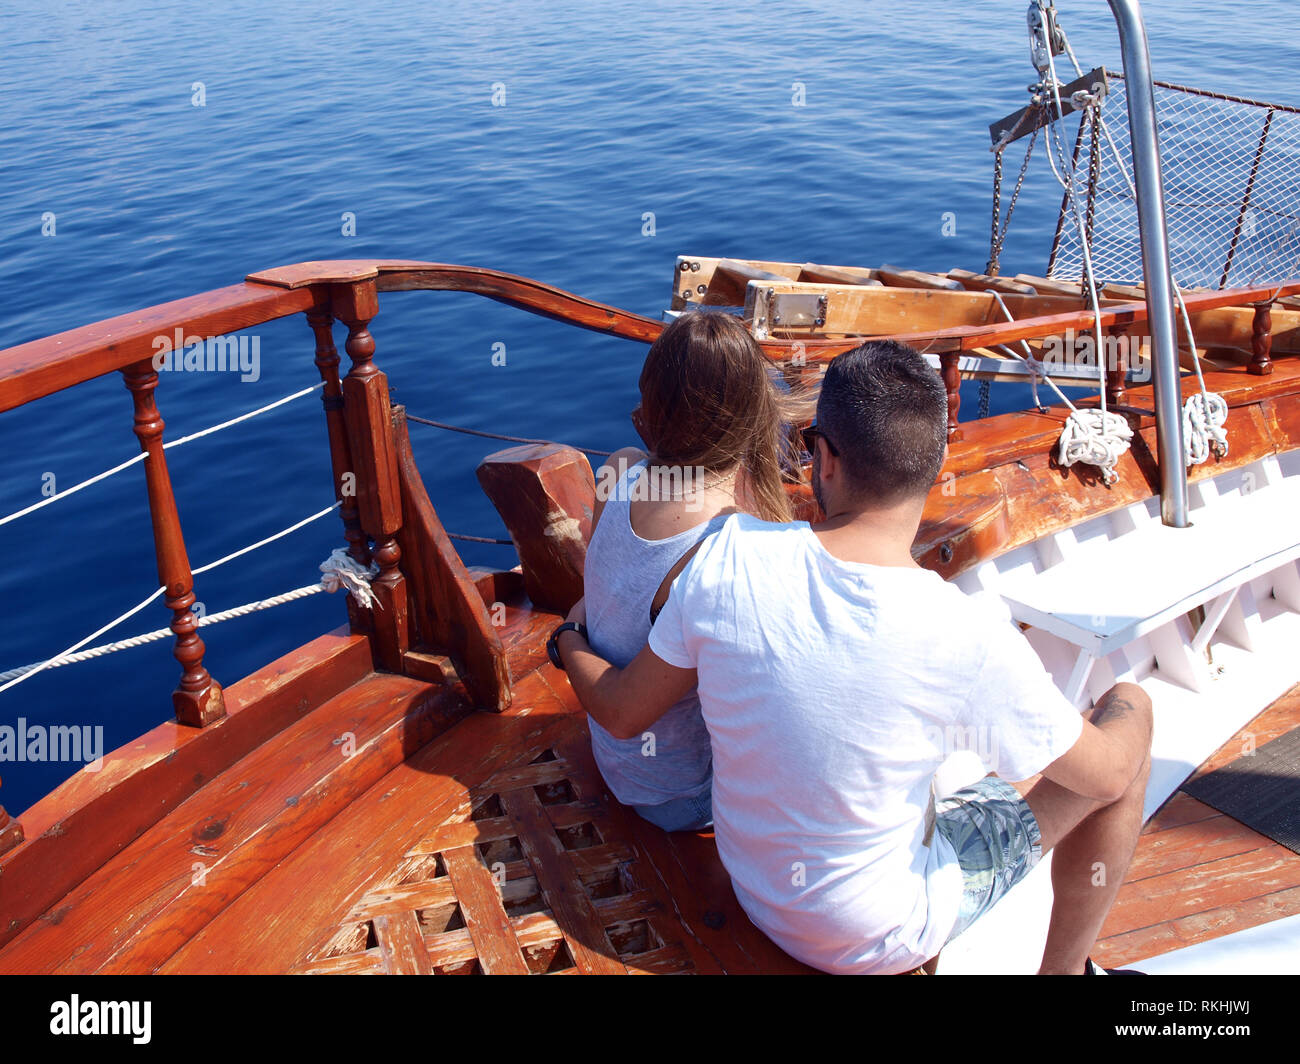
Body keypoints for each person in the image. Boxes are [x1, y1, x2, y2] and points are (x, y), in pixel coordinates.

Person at [552, 339, 1153, 975]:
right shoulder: (966, 634)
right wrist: (1125, 712)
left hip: (756, 890)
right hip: (874, 937)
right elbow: (1107, 779)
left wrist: (568, 638)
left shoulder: (724, 560)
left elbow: (627, 705)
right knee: (1128, 727)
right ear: (936, 458)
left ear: (824, 457)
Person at [556, 310, 799, 833]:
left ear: (650, 409)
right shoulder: (720, 545)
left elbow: (605, 594)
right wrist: (566, 637)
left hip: (624, 768)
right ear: (756, 413)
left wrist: (575, 625)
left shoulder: (619, 469)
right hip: (681, 795)